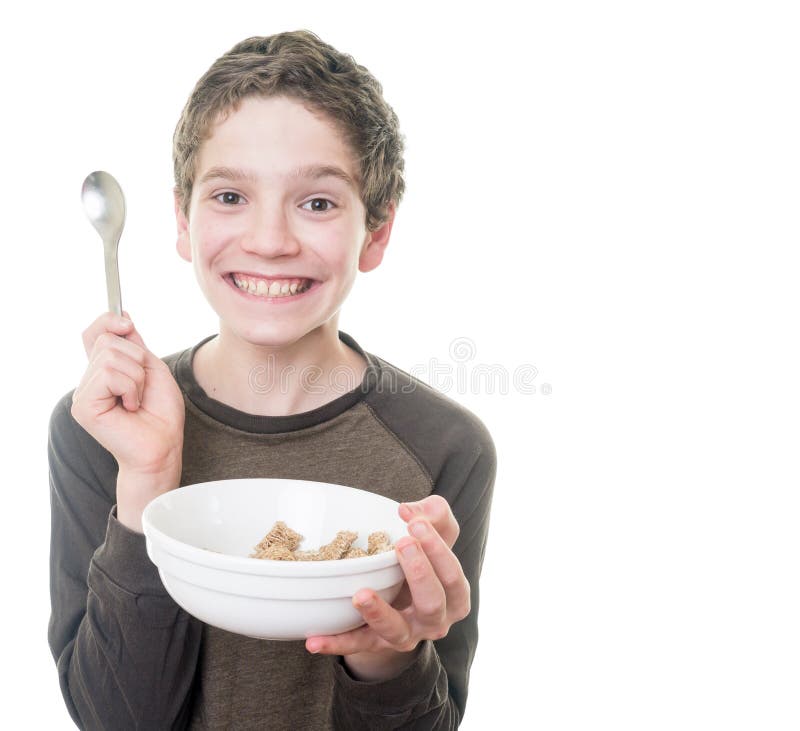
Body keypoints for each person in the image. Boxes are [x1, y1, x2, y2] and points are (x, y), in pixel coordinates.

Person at [48, 30, 496, 730]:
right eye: (229, 195)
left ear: (375, 233)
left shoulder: (444, 447)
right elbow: (117, 721)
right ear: (182, 222)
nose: (269, 239)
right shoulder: (100, 428)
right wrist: (147, 476)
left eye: (317, 203)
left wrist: (386, 657)